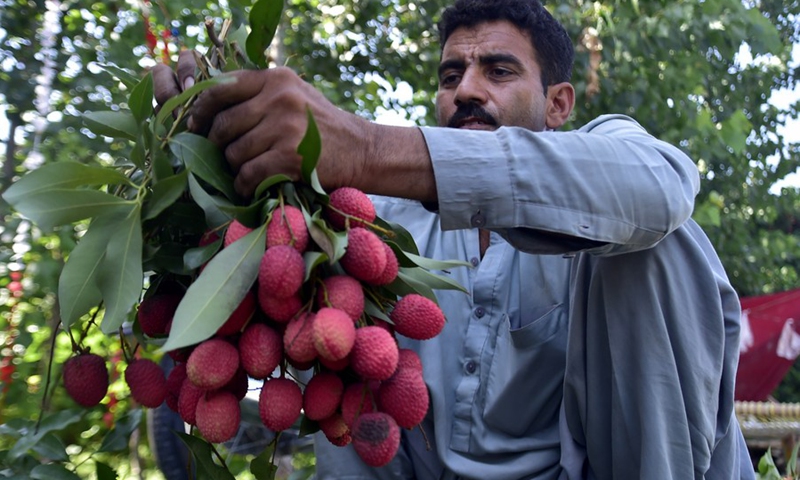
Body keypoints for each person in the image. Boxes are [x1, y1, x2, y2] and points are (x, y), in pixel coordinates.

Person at [154, 0, 755, 478]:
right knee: (332, 275)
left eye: (498, 70)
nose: (466, 89)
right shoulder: (381, 222)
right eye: (451, 74)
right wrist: (209, 153)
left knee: (657, 237)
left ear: (558, 105)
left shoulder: (615, 149)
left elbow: (662, 186)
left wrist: (364, 146)